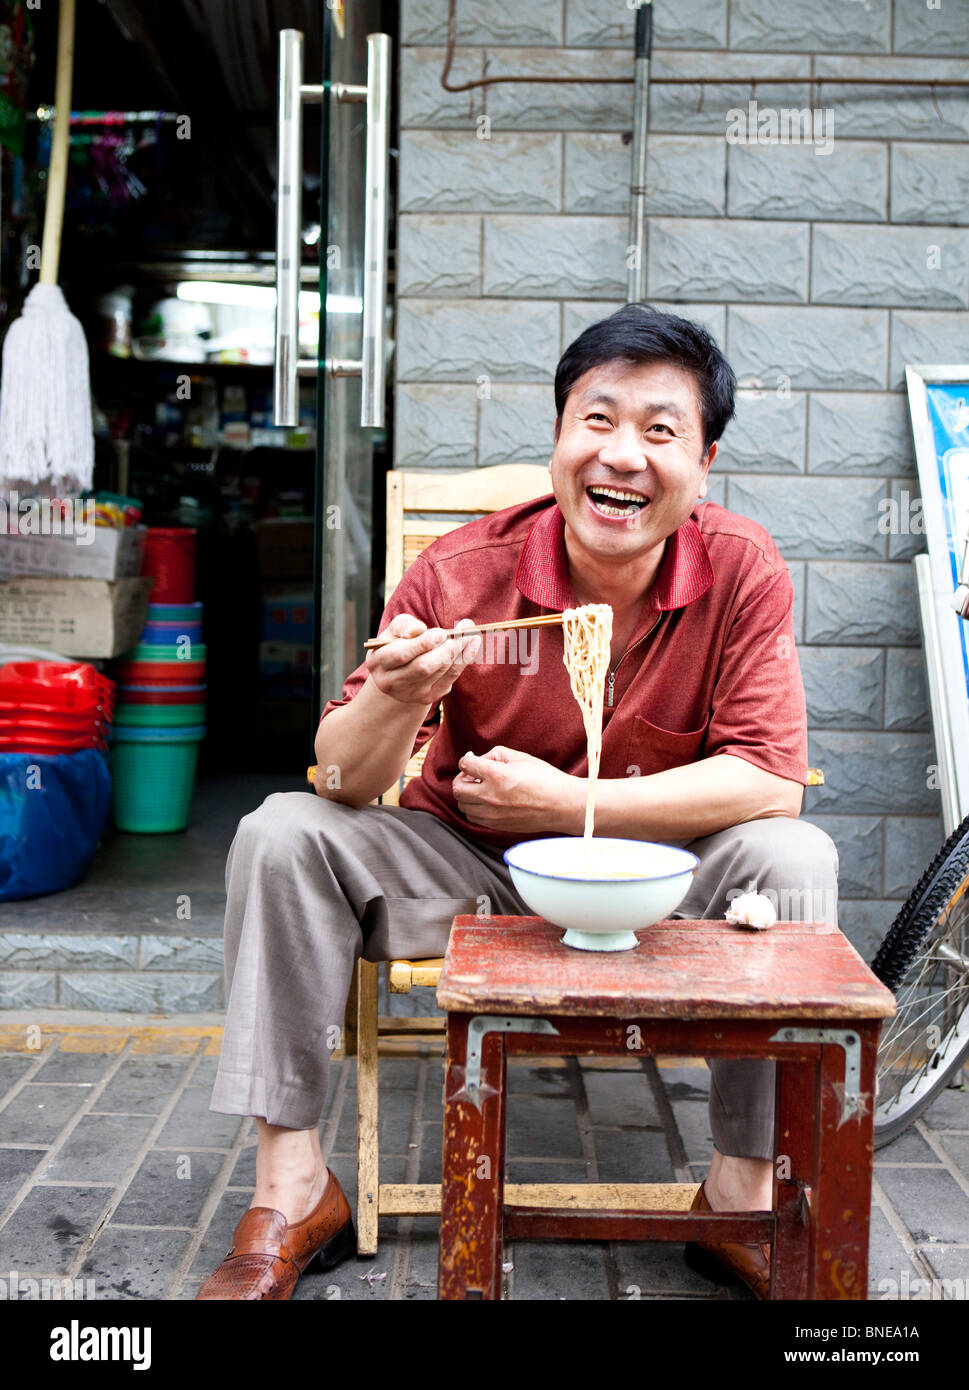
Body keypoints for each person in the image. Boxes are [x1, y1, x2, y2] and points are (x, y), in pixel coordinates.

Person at [197, 304, 837, 1301]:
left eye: (660, 432)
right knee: (281, 834)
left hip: (657, 881)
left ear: (705, 463)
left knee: (793, 862)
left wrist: (568, 797)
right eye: (597, 420)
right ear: (556, 439)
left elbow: (768, 779)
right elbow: (342, 776)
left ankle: (741, 1189)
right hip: (475, 868)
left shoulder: (743, 569)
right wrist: (405, 696)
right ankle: (292, 1186)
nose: (621, 456)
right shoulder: (460, 575)